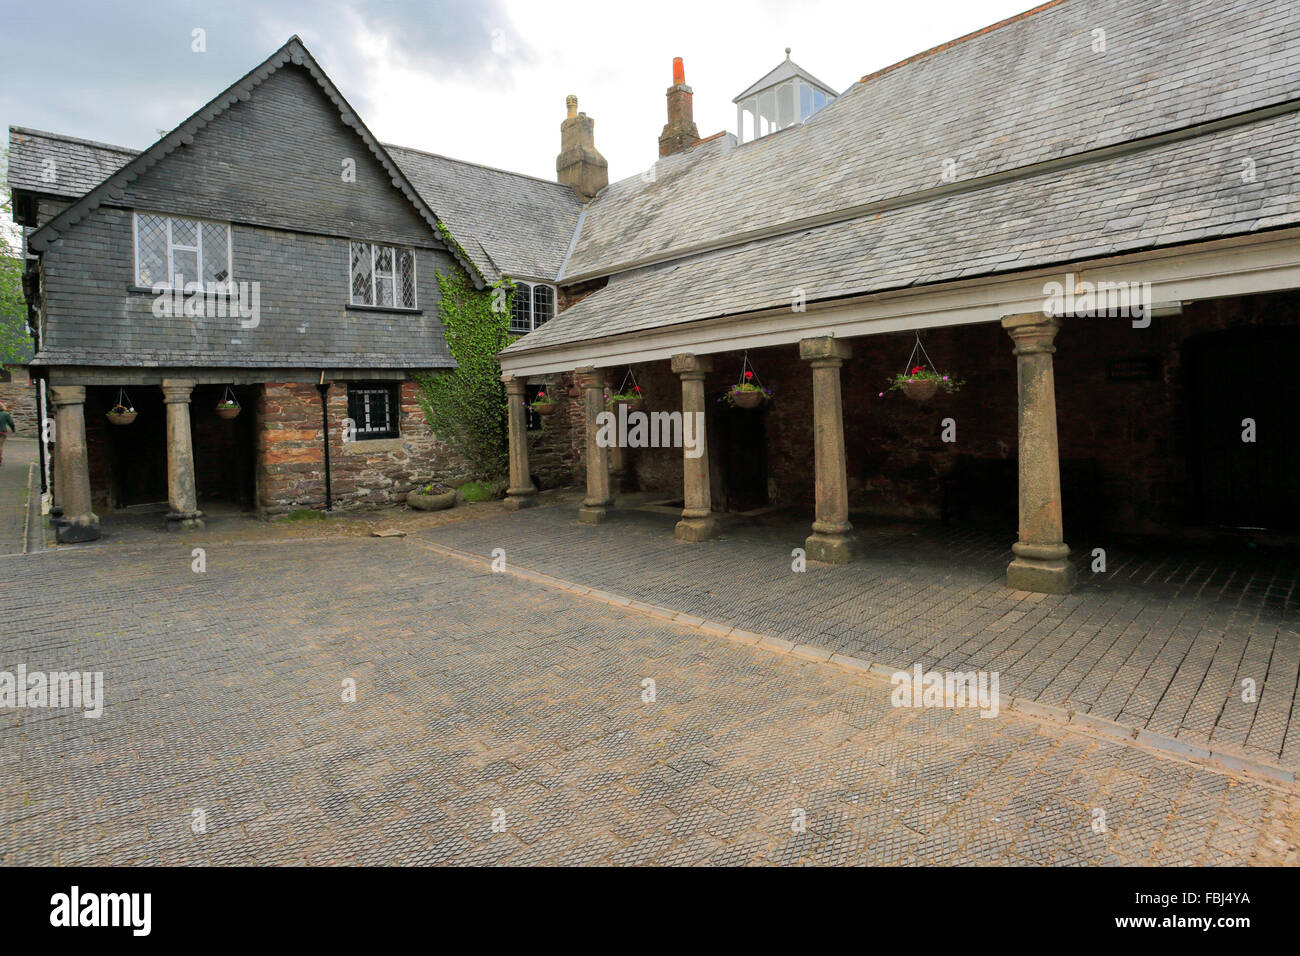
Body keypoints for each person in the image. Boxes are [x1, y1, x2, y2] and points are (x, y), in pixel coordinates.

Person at [0, 402, 14, 466]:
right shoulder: (6, 414)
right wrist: (13, 429)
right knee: (0, 446)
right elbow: (11, 423)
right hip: (2, 432)